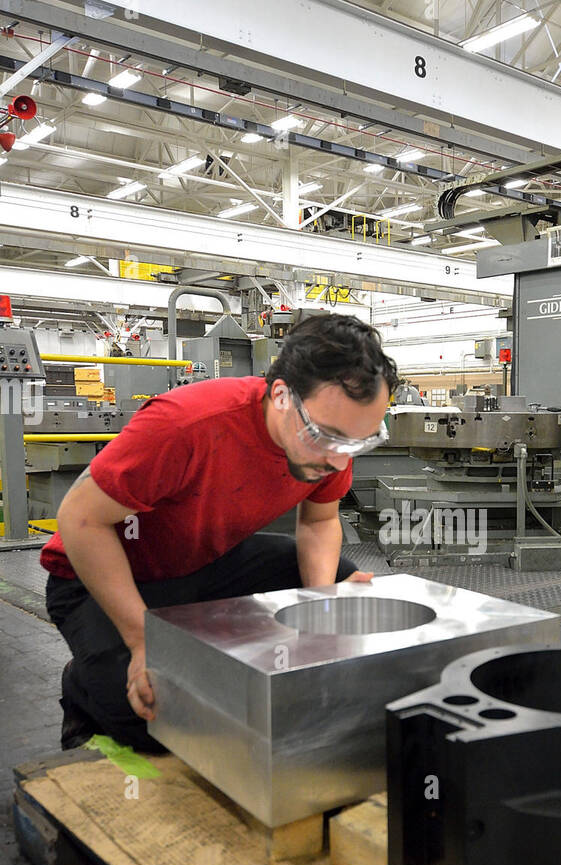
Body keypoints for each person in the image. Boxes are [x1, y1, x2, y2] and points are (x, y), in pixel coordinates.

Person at [42, 312, 398, 752]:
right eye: (328, 438)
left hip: (200, 563)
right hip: (97, 577)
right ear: (282, 396)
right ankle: (84, 684)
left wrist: (317, 607)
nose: (340, 462)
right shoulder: (187, 425)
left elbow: (320, 521)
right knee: (161, 718)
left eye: (358, 444)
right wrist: (141, 642)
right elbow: (80, 519)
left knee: (338, 580)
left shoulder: (328, 443)